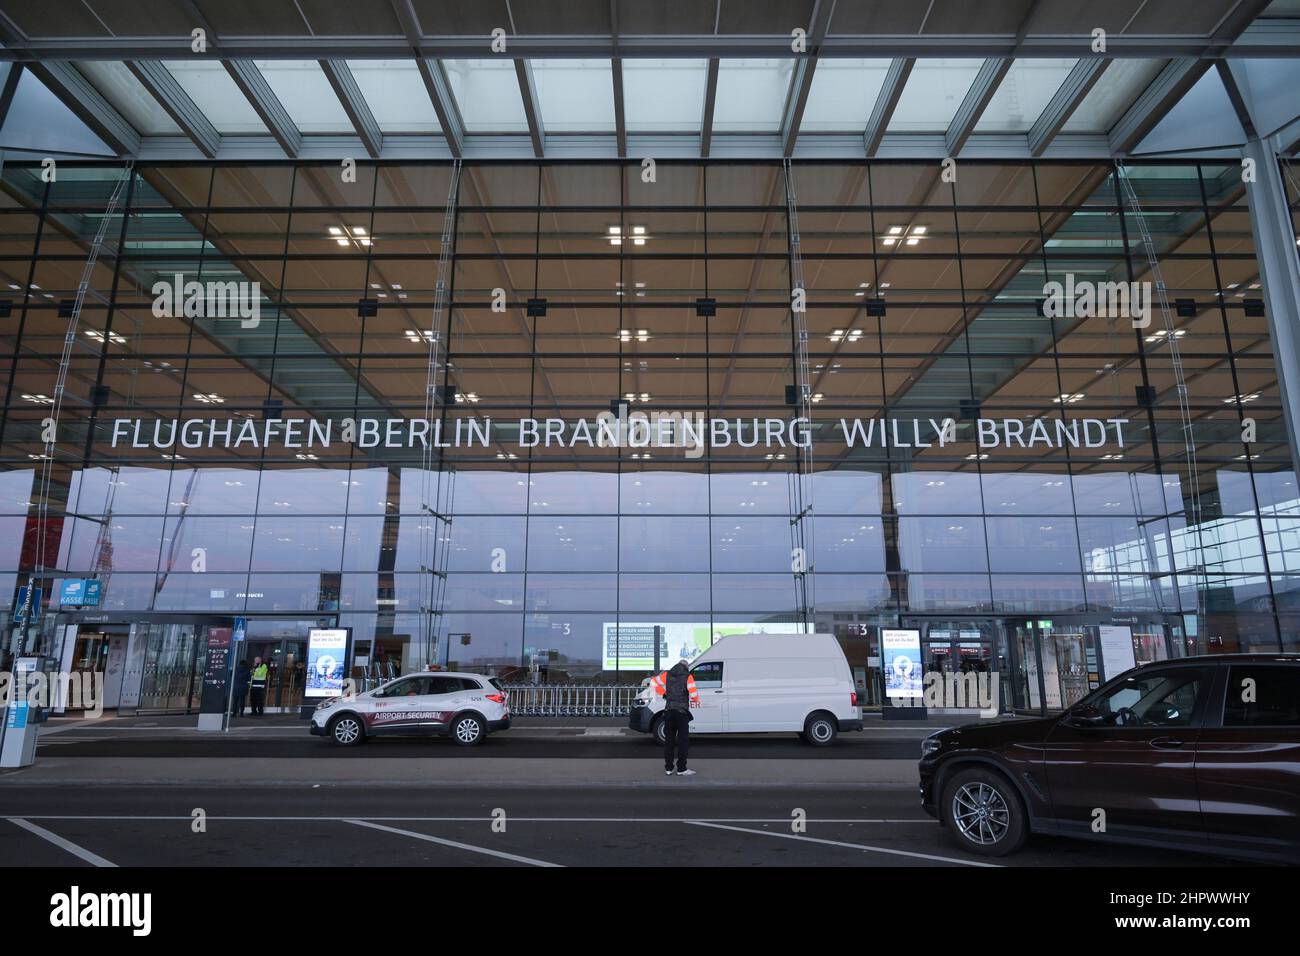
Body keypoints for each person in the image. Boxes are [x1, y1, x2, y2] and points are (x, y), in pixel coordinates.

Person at [651, 660, 700, 776]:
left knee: (669, 740)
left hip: (668, 712)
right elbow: (694, 695)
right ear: (686, 667)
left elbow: (653, 682)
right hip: (681, 713)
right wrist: (696, 699)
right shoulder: (688, 676)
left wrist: (664, 693)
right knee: (683, 741)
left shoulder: (666, 675)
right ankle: (681, 768)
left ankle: (668, 768)